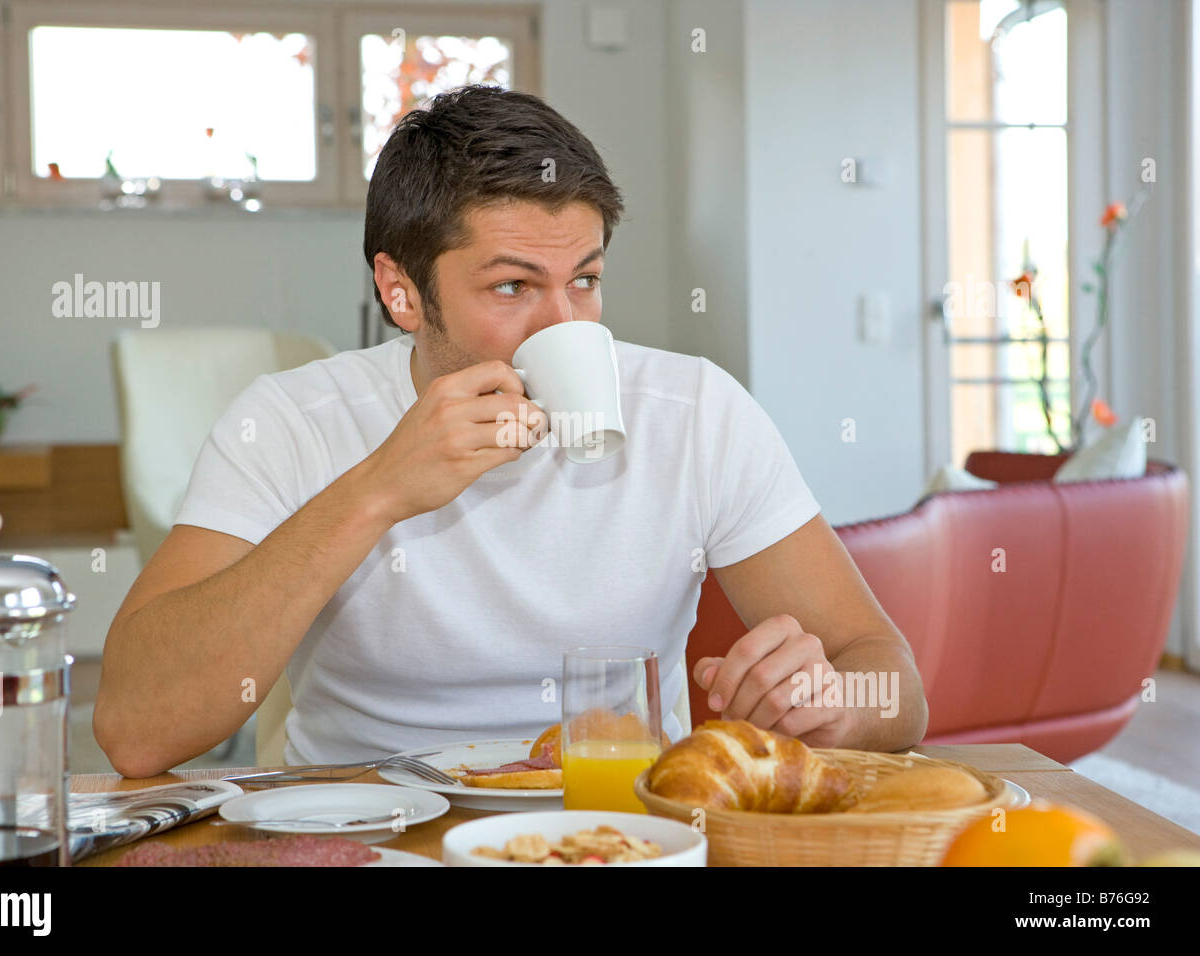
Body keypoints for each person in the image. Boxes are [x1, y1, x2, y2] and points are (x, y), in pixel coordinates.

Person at [94, 84, 927, 777]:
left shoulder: (696, 412)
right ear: (402, 293)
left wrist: (832, 708)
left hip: (621, 828)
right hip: (379, 834)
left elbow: (895, 686)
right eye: (512, 287)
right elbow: (136, 729)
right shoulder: (289, 424)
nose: (564, 324)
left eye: (586, 279)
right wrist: (379, 489)